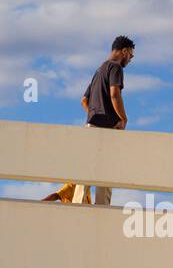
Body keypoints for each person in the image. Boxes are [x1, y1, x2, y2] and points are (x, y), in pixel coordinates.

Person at [47, 35, 135, 206]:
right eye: (131, 55)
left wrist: (94, 115)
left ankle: (78, 206)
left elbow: (84, 101)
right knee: (105, 174)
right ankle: (101, 211)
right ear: (124, 51)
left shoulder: (99, 70)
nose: (130, 60)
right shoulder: (116, 67)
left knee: (85, 172)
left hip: (90, 126)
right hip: (107, 129)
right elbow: (114, 94)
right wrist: (122, 118)